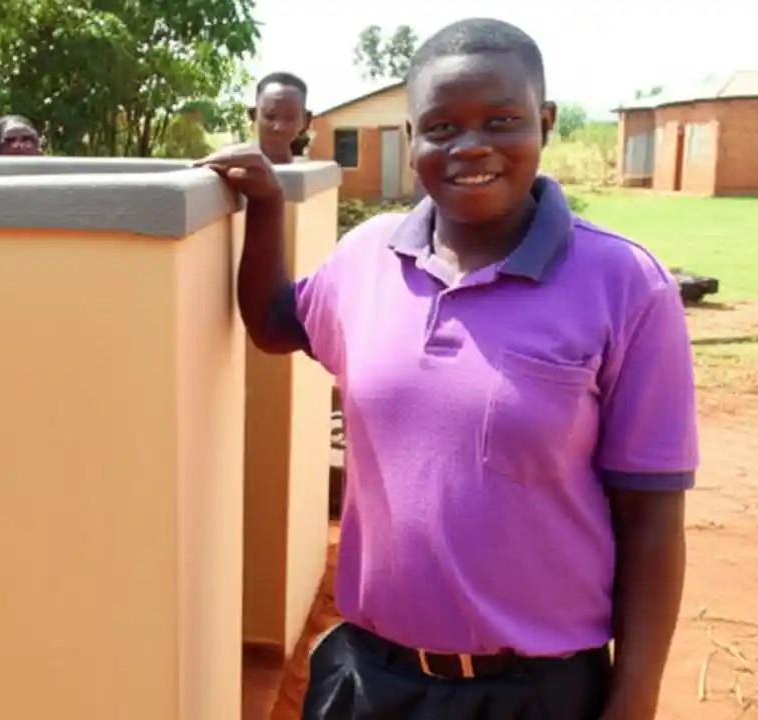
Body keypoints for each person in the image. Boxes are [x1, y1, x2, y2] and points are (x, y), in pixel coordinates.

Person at [198, 17, 695, 720]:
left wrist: (634, 700)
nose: (471, 146)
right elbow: (276, 325)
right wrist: (267, 204)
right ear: (412, 139)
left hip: (536, 693)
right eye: (441, 127)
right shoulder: (367, 258)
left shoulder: (626, 285)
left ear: (545, 122)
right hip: (372, 680)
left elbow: (651, 517)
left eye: (501, 120)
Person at [249, 72, 311, 165]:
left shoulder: (315, 172)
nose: (279, 127)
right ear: (253, 115)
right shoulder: (233, 168)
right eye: (270, 116)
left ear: (305, 121)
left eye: (289, 118)